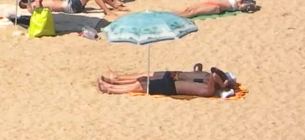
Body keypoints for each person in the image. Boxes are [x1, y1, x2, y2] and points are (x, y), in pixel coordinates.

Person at [96, 68, 236, 97]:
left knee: (140, 86)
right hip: (173, 76)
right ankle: (116, 80)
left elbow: (213, 75)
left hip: (171, 87)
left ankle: (110, 89)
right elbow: (199, 74)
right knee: (145, 75)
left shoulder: (209, 89)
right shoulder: (206, 79)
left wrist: (224, 85)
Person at [178, 0, 258, 18]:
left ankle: (178, 17)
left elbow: (250, 7)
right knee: (188, 9)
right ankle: (172, 14)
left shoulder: (239, 5)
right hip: (209, 3)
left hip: (216, 7)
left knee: (194, 12)